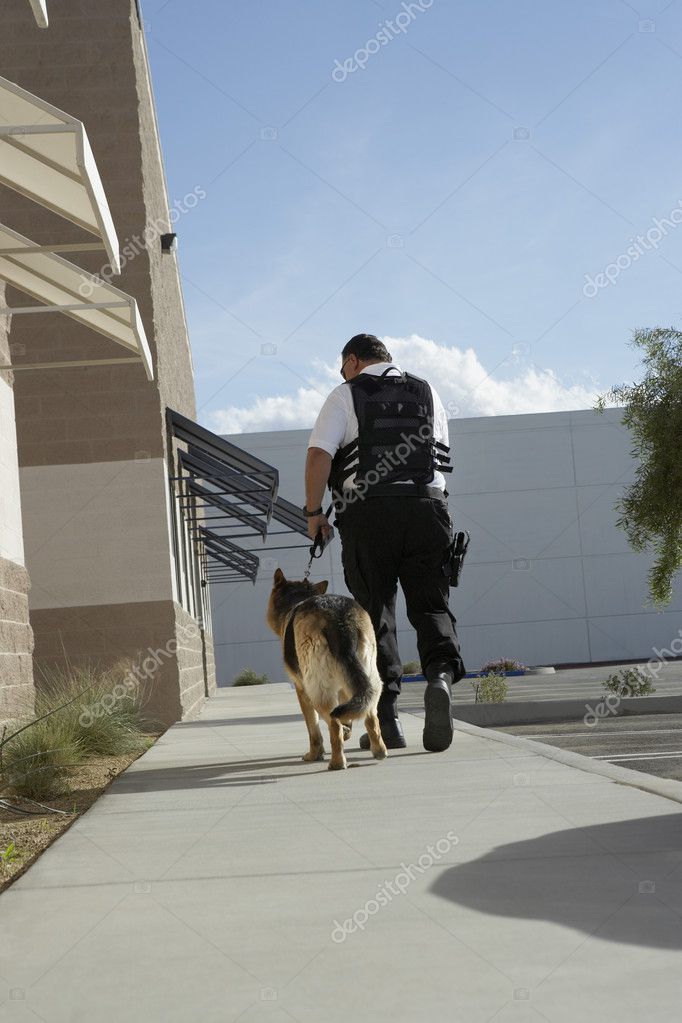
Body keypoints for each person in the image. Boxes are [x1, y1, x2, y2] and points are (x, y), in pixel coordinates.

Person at [303, 333, 466, 752]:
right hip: (428, 511)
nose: (343, 375)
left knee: (374, 615)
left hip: (369, 514)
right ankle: (440, 679)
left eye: (343, 368)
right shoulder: (427, 391)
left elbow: (320, 454)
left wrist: (313, 512)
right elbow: (439, 458)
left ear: (353, 361)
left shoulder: (345, 395)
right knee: (431, 605)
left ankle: (386, 720)